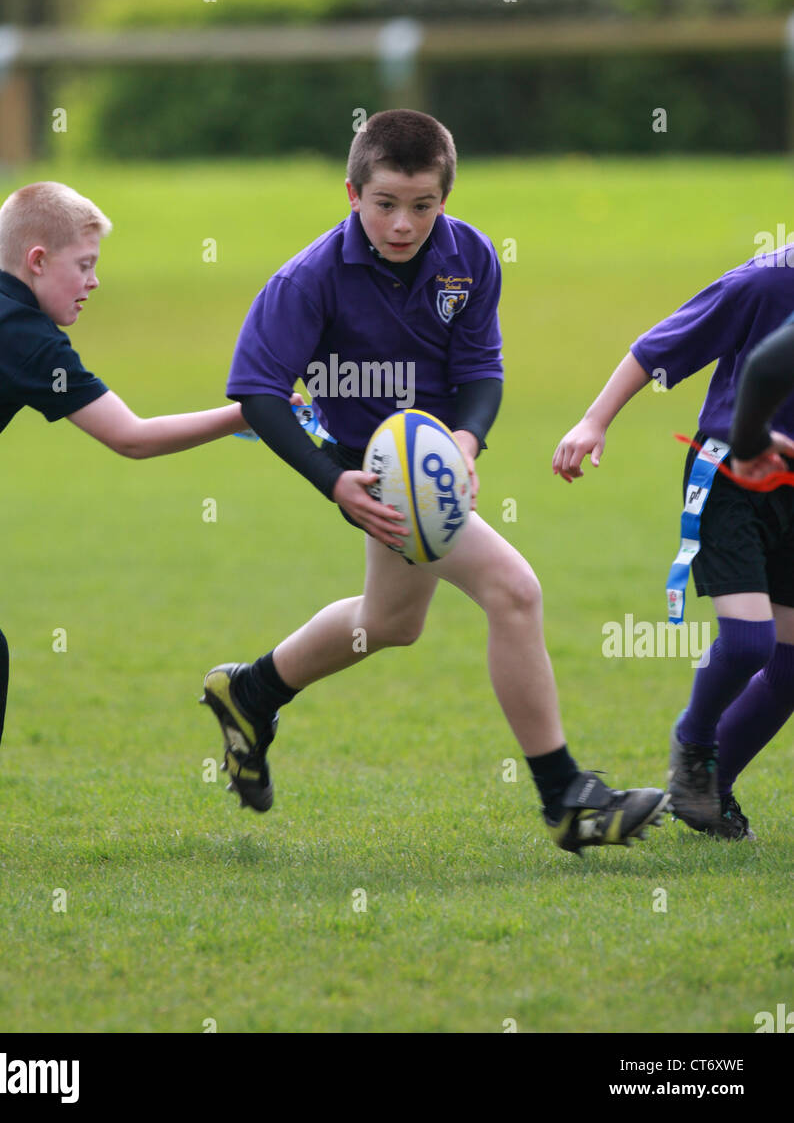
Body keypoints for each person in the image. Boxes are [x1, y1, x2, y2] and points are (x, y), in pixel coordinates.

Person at [201, 109, 667, 855]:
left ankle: (250, 692)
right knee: (514, 590)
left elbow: (481, 371)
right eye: (384, 203)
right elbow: (257, 391)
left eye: (423, 205)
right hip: (370, 474)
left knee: (391, 622)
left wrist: (465, 440)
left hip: (425, 468)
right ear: (352, 192)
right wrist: (334, 482)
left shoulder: (471, 257)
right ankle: (568, 799)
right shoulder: (308, 279)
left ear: (445, 197)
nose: (402, 224)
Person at [0, 181, 254, 871]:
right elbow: (132, 437)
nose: (95, 282)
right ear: (39, 260)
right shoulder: (27, 340)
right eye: (85, 265)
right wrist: (244, 413)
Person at [552, 245, 794, 841]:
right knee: (747, 642)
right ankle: (694, 742)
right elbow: (657, 347)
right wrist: (594, 420)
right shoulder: (762, 285)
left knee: (791, 666)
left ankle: (708, 789)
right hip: (732, 476)